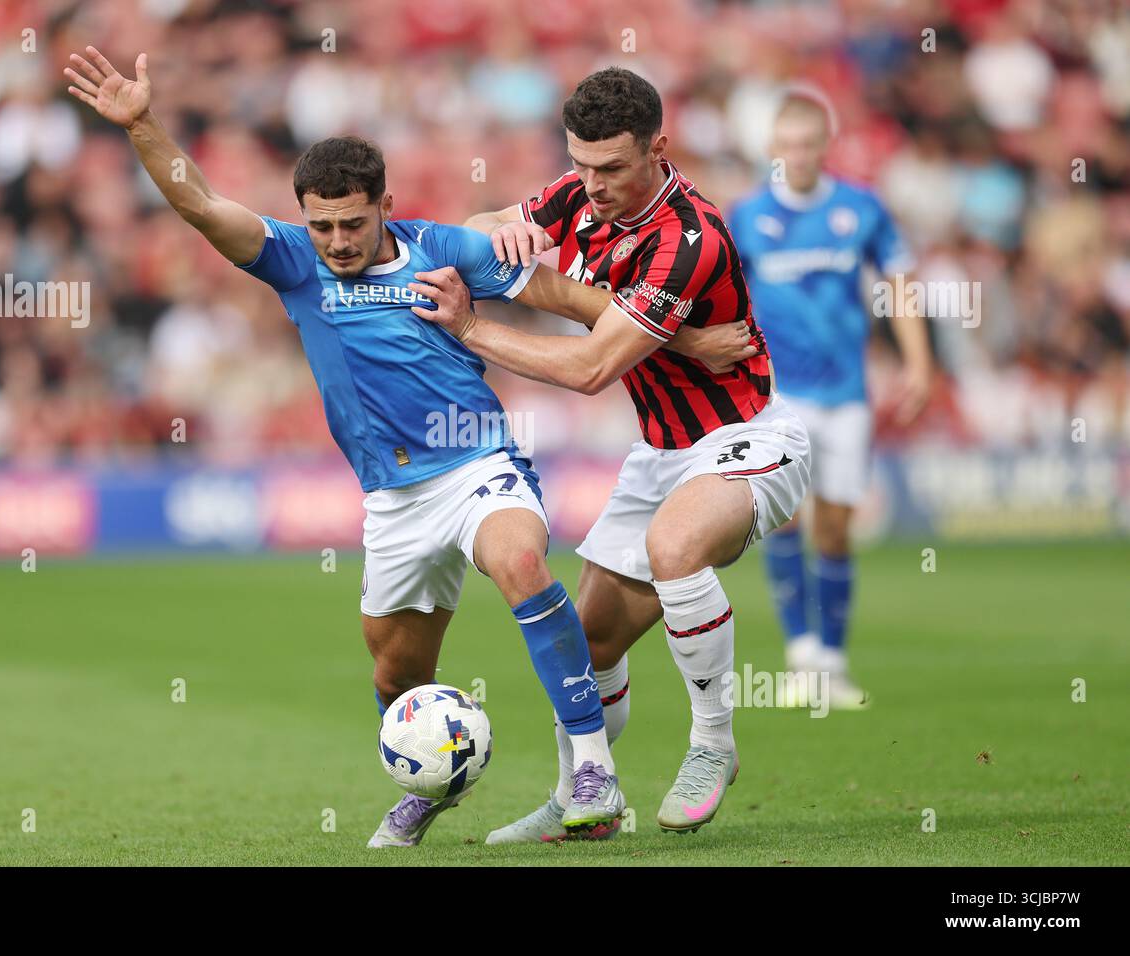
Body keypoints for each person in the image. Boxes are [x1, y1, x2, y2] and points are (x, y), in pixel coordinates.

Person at [63, 48, 749, 846]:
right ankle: (430, 780)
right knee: (395, 675)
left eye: (353, 221)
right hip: (391, 500)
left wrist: (688, 337)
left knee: (523, 564)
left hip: (478, 463)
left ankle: (592, 770)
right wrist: (143, 126)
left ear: (385, 205)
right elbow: (202, 207)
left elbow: (567, 296)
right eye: (321, 224)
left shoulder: (444, 249)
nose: (338, 240)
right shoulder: (293, 262)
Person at [414, 67, 810, 842]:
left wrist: (473, 329)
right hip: (659, 450)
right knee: (587, 644)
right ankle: (581, 803)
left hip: (745, 439)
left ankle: (712, 744)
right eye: (581, 165)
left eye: (611, 168)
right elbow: (477, 229)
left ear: (658, 149)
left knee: (675, 547)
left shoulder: (689, 238)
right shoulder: (580, 191)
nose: (590, 186)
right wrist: (505, 227)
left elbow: (593, 368)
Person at [727, 89, 932, 708]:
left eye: (808, 144)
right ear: (771, 150)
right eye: (787, 145)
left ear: (825, 146)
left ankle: (834, 663)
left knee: (837, 526)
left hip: (846, 392)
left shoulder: (860, 209)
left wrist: (918, 362)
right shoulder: (745, 216)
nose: (798, 155)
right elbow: (725, 298)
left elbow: (900, 284)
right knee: (784, 518)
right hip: (779, 394)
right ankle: (802, 658)